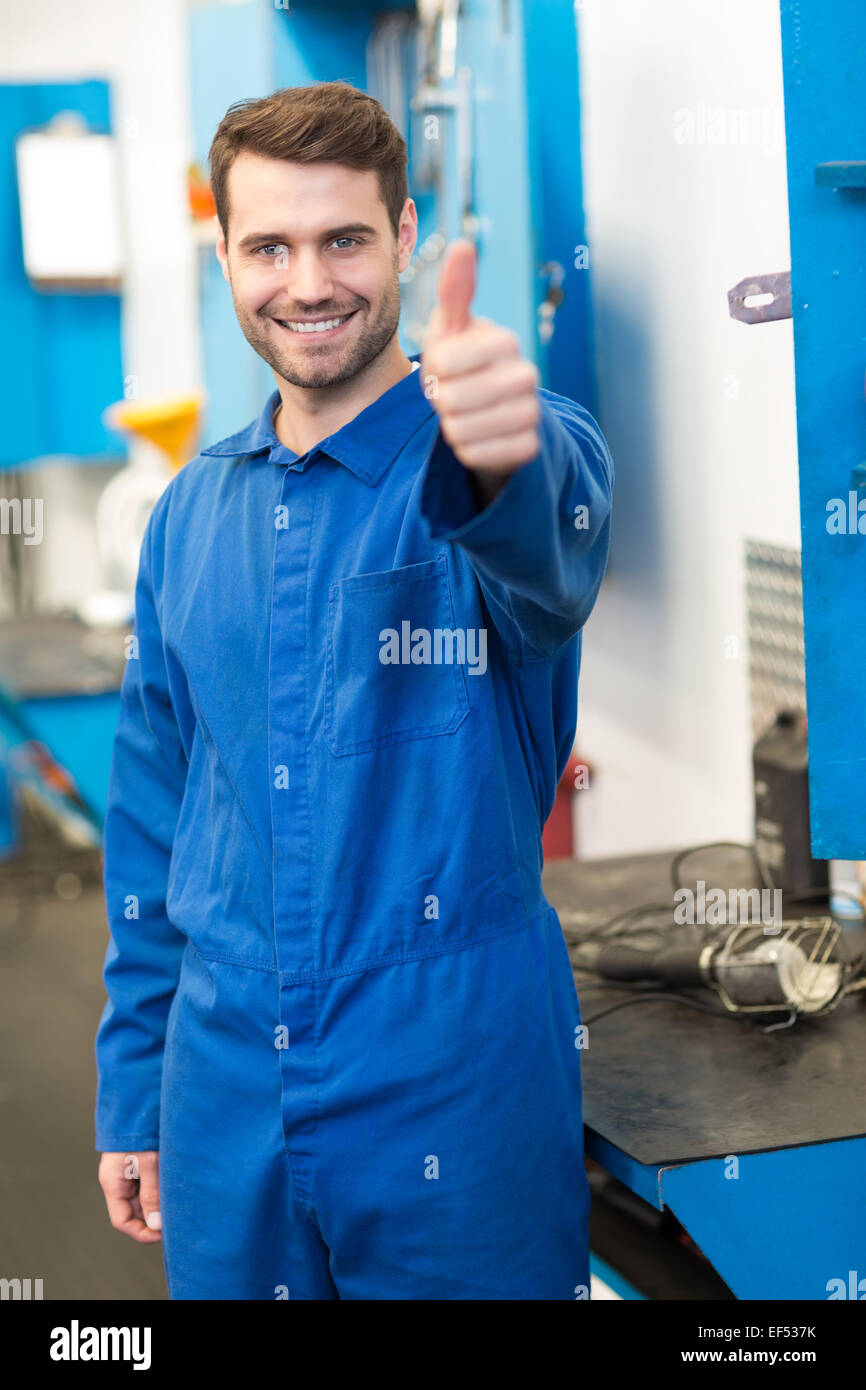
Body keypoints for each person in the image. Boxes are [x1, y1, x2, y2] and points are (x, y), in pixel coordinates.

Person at [95, 79, 614, 1300]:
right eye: (268, 245)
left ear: (405, 236)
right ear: (223, 253)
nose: (309, 282)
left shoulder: (490, 449)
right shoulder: (186, 520)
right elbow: (151, 822)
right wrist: (133, 1081)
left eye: (344, 240)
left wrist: (502, 448)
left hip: (452, 1072)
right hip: (222, 1075)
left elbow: (551, 544)